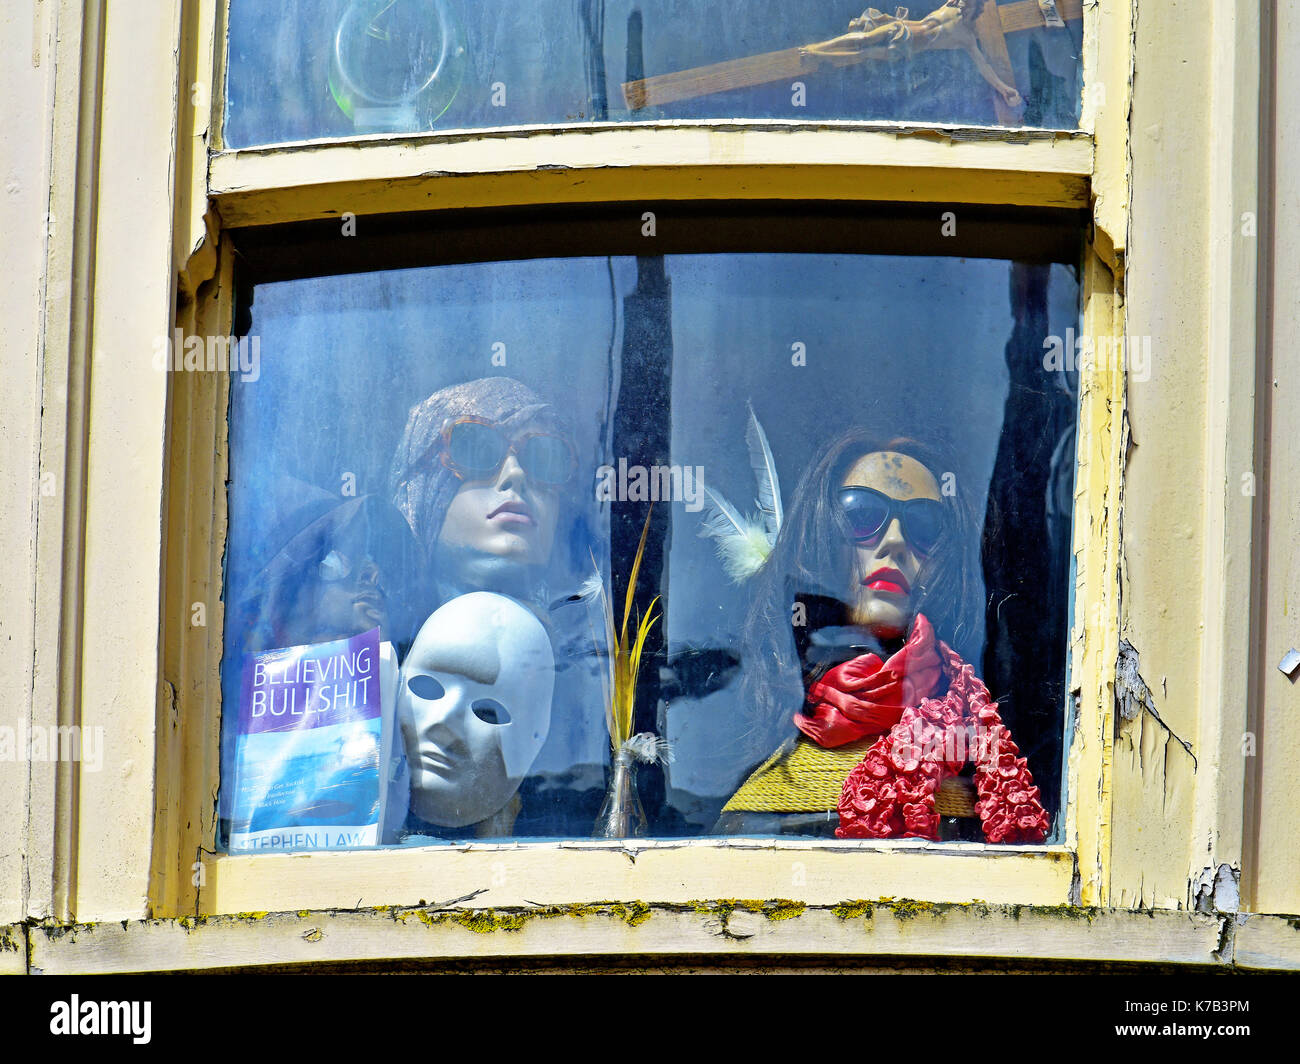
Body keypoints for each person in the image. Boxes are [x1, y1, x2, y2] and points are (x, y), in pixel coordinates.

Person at [715, 428, 1049, 843]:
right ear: (821, 538)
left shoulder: (983, 756)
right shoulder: (758, 806)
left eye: (923, 526)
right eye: (861, 516)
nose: (894, 542)